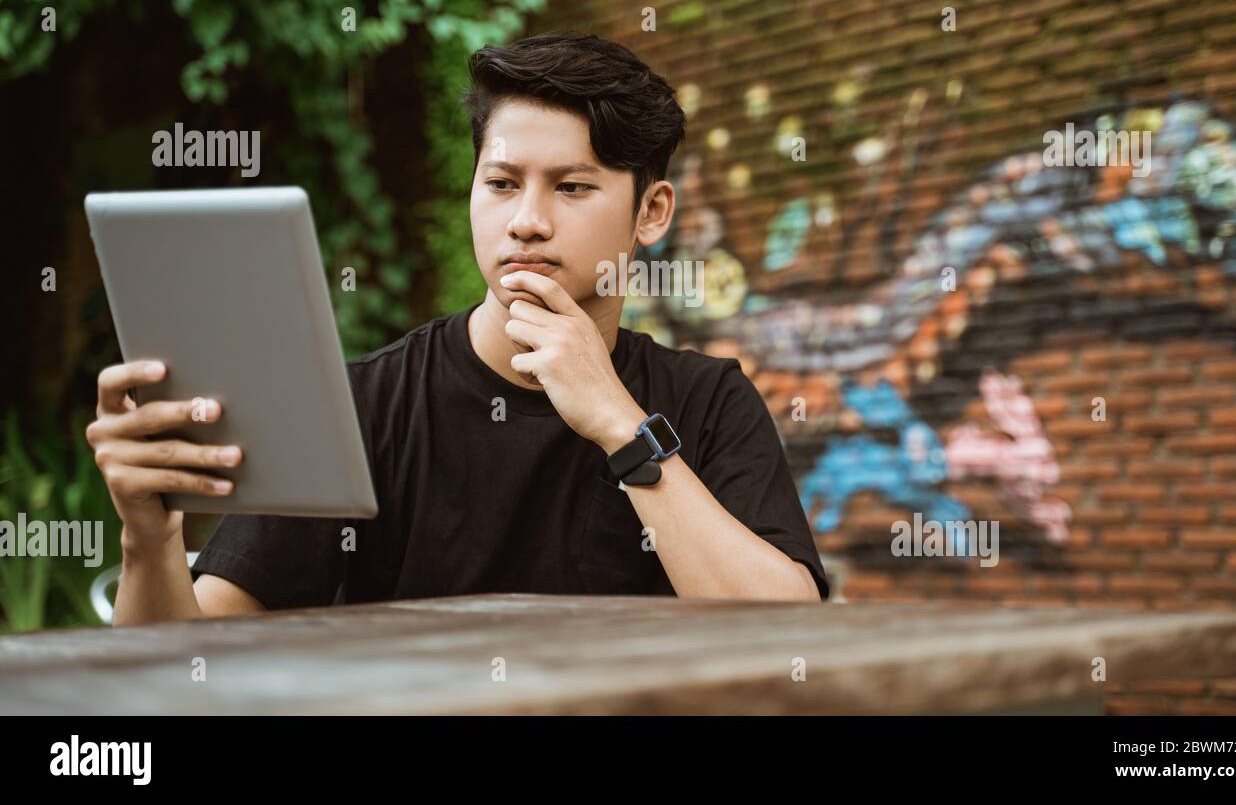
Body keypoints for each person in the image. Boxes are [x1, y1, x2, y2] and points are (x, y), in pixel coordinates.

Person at [85, 31, 831, 625]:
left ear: (652, 213)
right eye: (502, 185)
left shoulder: (706, 402)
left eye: (572, 188)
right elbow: (190, 671)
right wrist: (147, 540)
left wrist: (616, 423)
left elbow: (791, 633)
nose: (527, 222)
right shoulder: (365, 407)